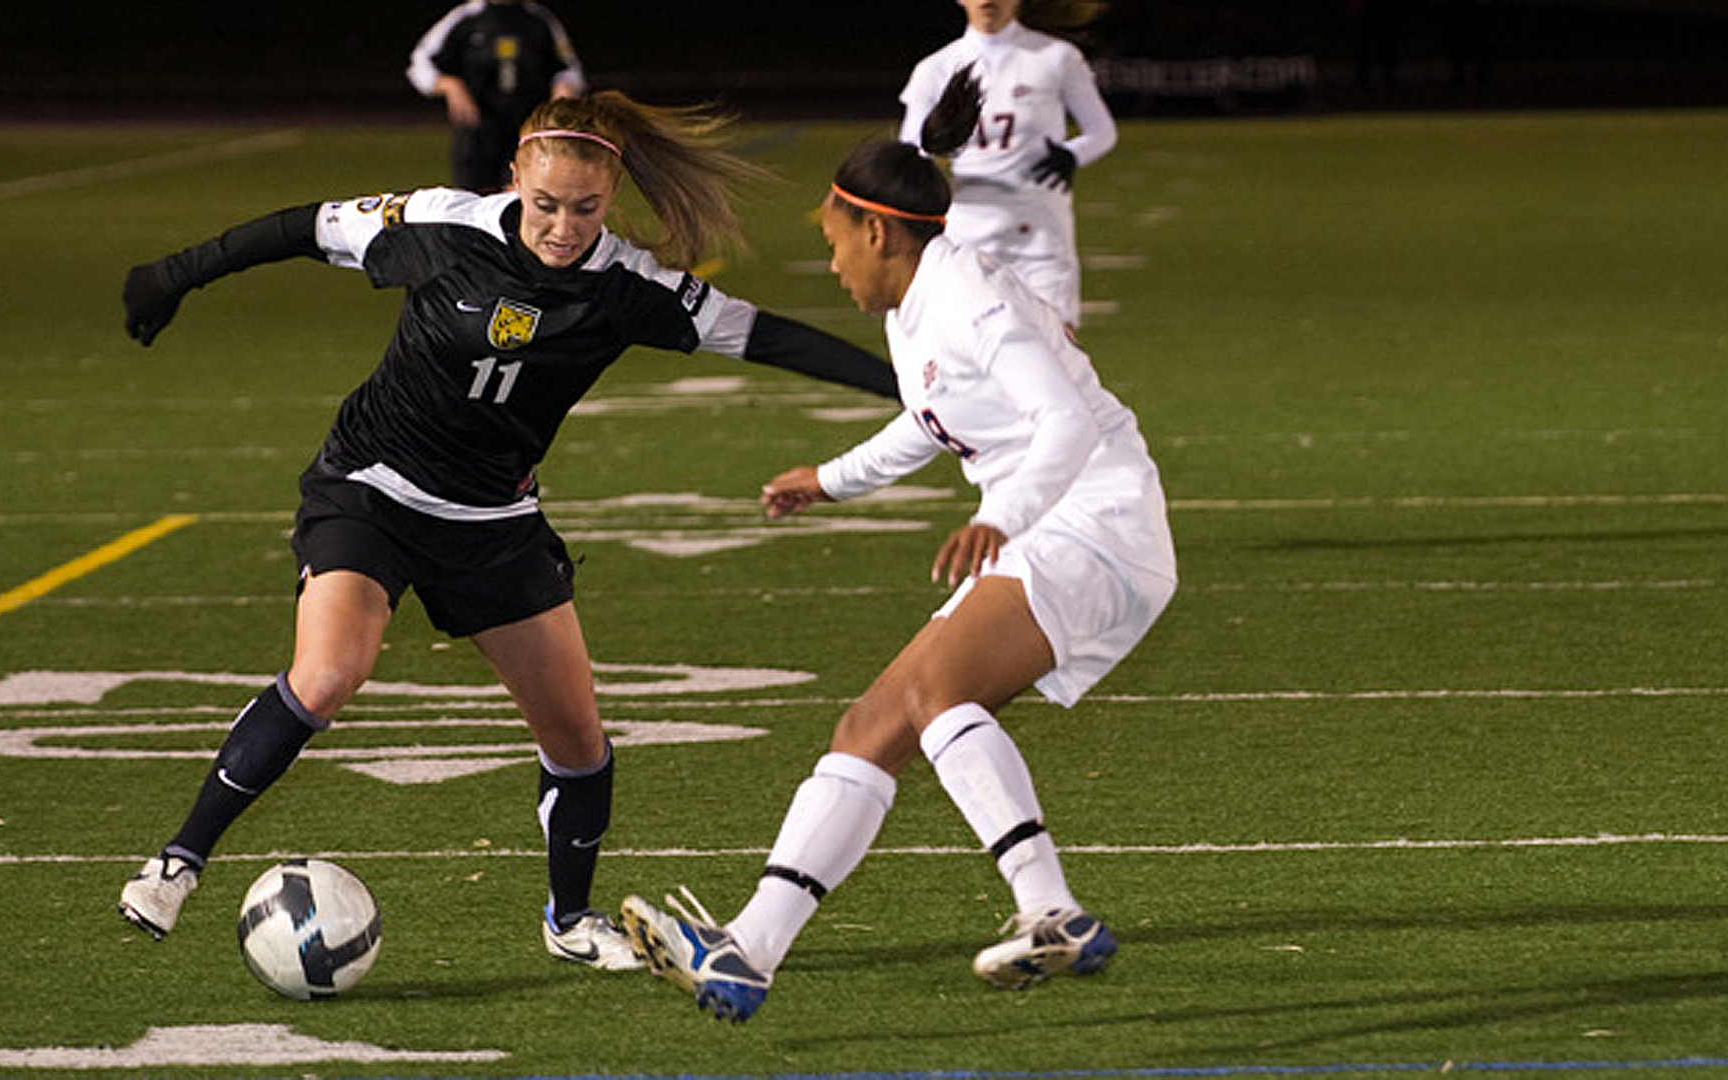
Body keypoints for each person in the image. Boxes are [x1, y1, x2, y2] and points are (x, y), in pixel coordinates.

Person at [115, 90, 899, 973]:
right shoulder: (439, 226)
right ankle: (177, 861)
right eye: (547, 204)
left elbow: (771, 339)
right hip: (371, 490)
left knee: (578, 742)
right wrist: (176, 272)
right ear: (514, 177)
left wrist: (909, 385)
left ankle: (570, 920)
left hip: (493, 521)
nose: (564, 226)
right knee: (331, 672)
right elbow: (303, 226)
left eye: (587, 208)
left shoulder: (630, 288)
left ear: (612, 197)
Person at [619, 66, 1176, 1022]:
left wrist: (1003, 516)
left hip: (1095, 521)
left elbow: (1066, 425)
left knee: (932, 695)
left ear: (878, 231)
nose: (832, 265)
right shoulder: (922, 305)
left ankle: (1050, 908)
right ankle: (749, 951)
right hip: (1066, 527)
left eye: (836, 243)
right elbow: (932, 420)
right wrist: (826, 479)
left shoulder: (970, 299)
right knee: (870, 727)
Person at [899, 0, 1116, 328]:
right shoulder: (936, 69)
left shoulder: (1056, 57)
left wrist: (1072, 155)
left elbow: (1102, 132)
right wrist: (933, 155)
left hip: (1040, 234)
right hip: (966, 234)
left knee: (1059, 352)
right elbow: (911, 152)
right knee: (972, 357)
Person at [407, 0, 586, 192]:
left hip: (528, 133)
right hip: (478, 133)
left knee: (523, 203)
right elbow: (420, 63)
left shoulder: (539, 20)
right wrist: (450, 86)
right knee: (474, 206)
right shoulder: (466, 18)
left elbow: (569, 68)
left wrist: (564, 88)